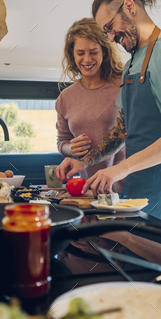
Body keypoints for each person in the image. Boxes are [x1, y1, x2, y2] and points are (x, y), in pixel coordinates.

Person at [55, 0, 161, 234]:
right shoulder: (132, 64)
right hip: (136, 188)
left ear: (129, 7)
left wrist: (120, 169)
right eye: (106, 33)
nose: (111, 38)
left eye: (110, 27)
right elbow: (121, 132)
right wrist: (84, 162)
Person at [55, 18, 126, 193]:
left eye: (93, 52)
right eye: (80, 53)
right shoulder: (65, 98)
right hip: (89, 189)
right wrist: (70, 148)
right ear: (72, 53)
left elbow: (127, 134)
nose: (87, 59)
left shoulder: (124, 84)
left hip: (127, 186)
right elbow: (61, 142)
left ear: (104, 51)